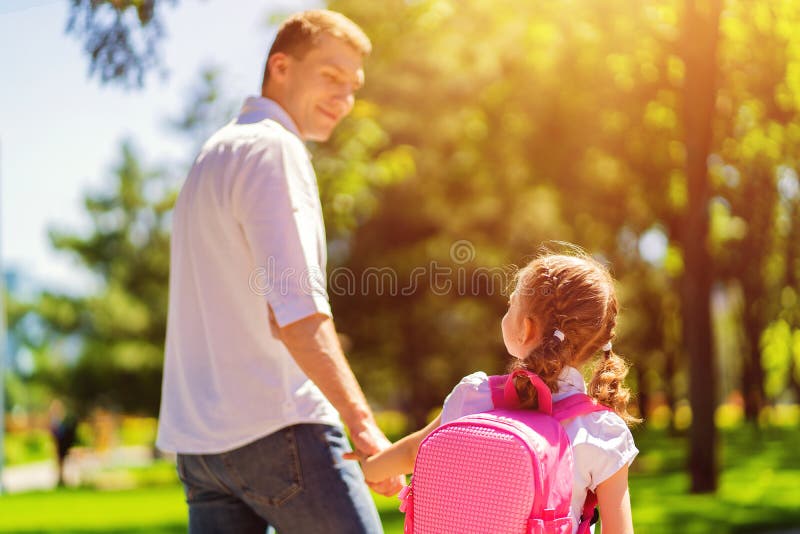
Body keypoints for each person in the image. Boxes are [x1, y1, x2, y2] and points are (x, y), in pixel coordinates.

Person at [155, 10, 402, 534]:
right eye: (331, 77)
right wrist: (364, 427)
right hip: (281, 429)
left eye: (353, 86)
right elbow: (294, 310)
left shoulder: (212, 155)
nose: (344, 98)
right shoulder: (275, 149)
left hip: (202, 450)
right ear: (281, 67)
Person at [347, 252, 639, 534]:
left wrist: (369, 468)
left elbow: (413, 452)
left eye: (511, 304)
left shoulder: (474, 395)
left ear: (525, 329)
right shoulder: (601, 431)